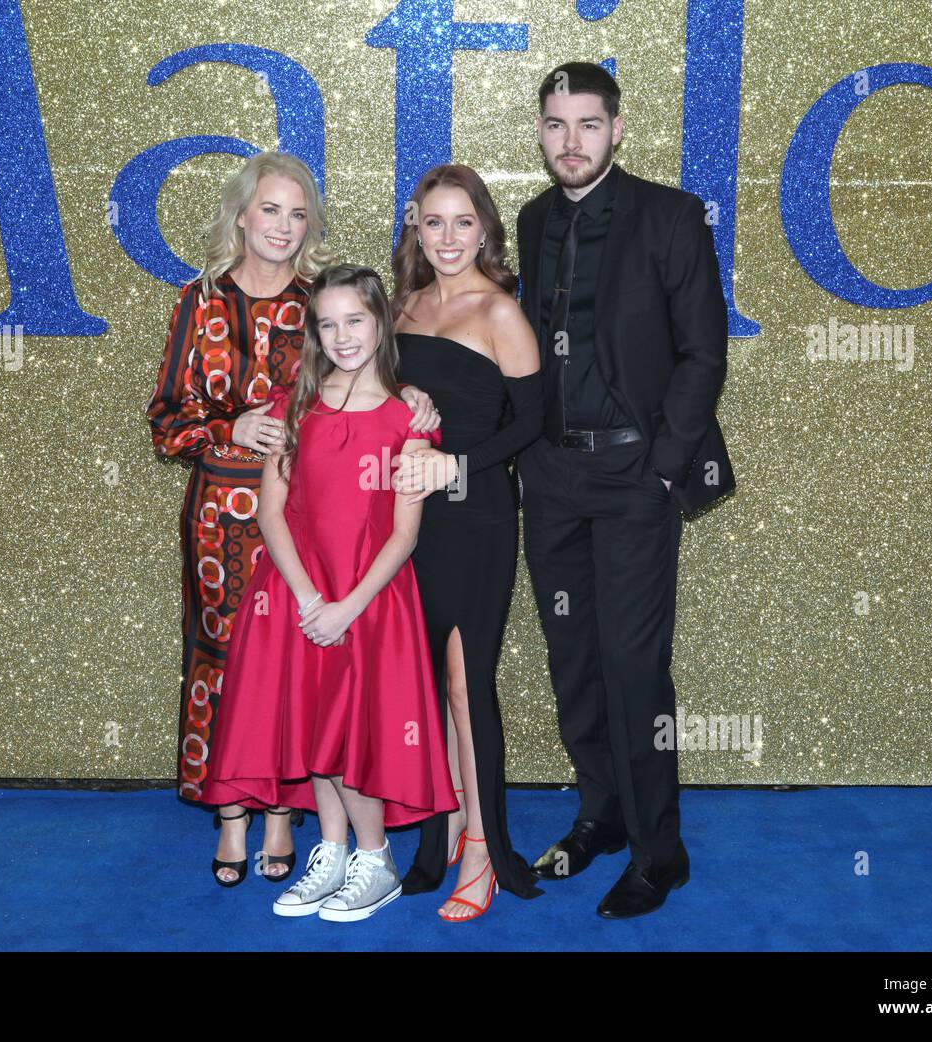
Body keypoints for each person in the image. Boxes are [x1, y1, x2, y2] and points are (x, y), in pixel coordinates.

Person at [145, 153, 439, 887]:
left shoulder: (319, 300)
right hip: (225, 516)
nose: (282, 226)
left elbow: (368, 377)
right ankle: (233, 816)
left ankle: (286, 817)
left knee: (302, 674)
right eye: (269, 210)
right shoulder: (198, 300)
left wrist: (422, 404)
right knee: (225, 663)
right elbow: (164, 421)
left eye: (298, 213)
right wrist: (227, 431)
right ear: (241, 215)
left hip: (314, 520)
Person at [515, 62, 735, 918]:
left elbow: (702, 355)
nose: (571, 142)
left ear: (617, 130)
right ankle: (601, 814)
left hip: (635, 476)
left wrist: (661, 467)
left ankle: (659, 851)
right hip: (552, 473)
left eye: (588, 125)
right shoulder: (533, 220)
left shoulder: (671, 216)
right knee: (574, 661)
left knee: (634, 668)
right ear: (540, 132)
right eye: (556, 125)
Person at [199, 264, 459, 922]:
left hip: (369, 600)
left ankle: (377, 860)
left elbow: (403, 536)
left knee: (355, 729)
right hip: (295, 593)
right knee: (314, 722)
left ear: (380, 322)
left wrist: (346, 606)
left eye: (356, 320)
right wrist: (307, 598)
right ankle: (335, 849)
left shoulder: (408, 418)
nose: (343, 336)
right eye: (328, 324)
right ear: (315, 332)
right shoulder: (298, 403)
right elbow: (271, 511)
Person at [388, 164, 546, 920]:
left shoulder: (500, 312)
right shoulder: (402, 308)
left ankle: (483, 851)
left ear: (484, 228)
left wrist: (456, 459)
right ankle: (443, 825)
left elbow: (532, 422)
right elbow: (368, 398)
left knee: (463, 684)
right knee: (422, 682)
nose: (448, 238)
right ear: (415, 228)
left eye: (462, 223)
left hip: (476, 512)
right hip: (407, 520)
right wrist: (401, 399)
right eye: (433, 223)